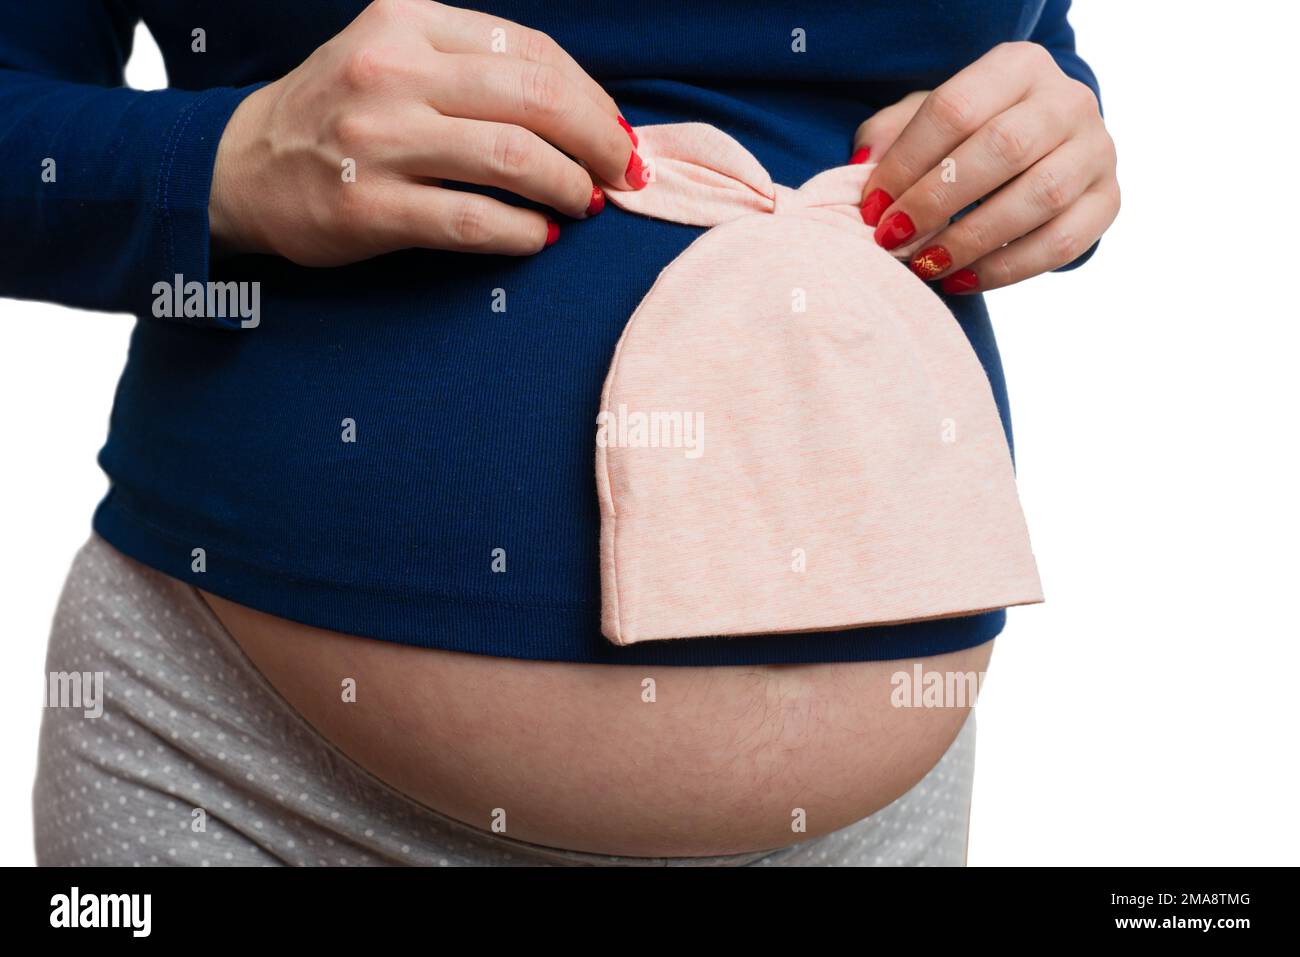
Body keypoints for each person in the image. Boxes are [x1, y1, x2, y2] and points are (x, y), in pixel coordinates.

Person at [3, 0, 1118, 866]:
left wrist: (1054, 135)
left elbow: (1022, 44)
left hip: (875, 817)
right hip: (248, 780)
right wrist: (219, 157)